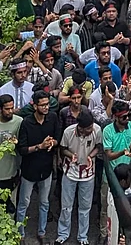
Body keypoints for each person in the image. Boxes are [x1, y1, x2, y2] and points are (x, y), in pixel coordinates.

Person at [16, 88, 61, 241]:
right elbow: (22, 149)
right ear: (34, 106)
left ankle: (42, 232)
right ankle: (20, 233)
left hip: (46, 169)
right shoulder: (27, 123)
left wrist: (51, 143)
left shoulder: (53, 118)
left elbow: (58, 139)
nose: (46, 107)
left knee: (44, 202)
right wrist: (39, 147)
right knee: (24, 204)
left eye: (47, 104)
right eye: (42, 105)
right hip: (29, 171)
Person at [57, 107, 102, 245]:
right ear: (80, 128)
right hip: (70, 172)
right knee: (66, 206)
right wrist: (72, 156)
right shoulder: (68, 132)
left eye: (91, 127)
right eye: (88, 128)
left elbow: (99, 147)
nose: (91, 130)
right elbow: (62, 149)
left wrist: (90, 156)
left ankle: (83, 237)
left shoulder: (97, 130)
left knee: (85, 208)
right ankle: (63, 234)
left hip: (88, 174)